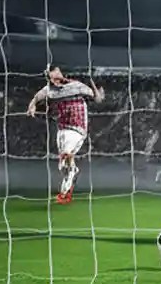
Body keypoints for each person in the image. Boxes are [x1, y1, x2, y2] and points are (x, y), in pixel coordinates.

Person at [27, 65, 104, 204]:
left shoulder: (77, 86)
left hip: (77, 127)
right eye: (49, 75)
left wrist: (97, 93)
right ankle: (68, 185)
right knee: (63, 166)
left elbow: (97, 98)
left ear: (60, 73)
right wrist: (32, 106)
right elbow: (37, 97)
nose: (52, 77)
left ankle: (70, 171)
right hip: (62, 127)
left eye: (54, 73)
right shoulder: (49, 90)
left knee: (66, 153)